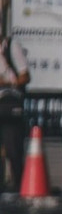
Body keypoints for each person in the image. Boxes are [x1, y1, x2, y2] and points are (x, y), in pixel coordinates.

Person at [0, 36, 29, 193]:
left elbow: (25, 76)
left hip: (8, 103)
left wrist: (8, 82)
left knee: (13, 150)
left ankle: (19, 188)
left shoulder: (11, 46)